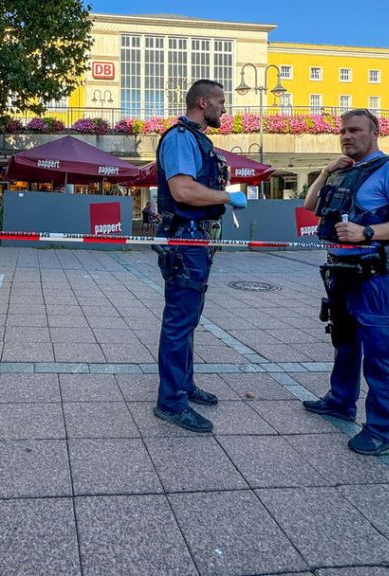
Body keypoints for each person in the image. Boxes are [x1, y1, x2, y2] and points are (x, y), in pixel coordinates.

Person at [302, 109, 389, 454]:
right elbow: (311, 205)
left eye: (355, 130)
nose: (347, 136)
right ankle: (340, 400)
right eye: (343, 131)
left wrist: (369, 231)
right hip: (340, 272)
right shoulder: (343, 172)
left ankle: (379, 429)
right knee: (344, 342)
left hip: (373, 275)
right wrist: (326, 171)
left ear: (375, 132)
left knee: (380, 352)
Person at [152, 79, 247, 433]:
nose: (225, 109)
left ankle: (184, 385)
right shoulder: (179, 138)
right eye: (221, 102)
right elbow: (183, 189)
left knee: (188, 319)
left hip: (195, 240)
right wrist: (226, 197)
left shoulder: (196, 139)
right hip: (185, 240)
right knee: (179, 321)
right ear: (203, 102)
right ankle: (171, 401)